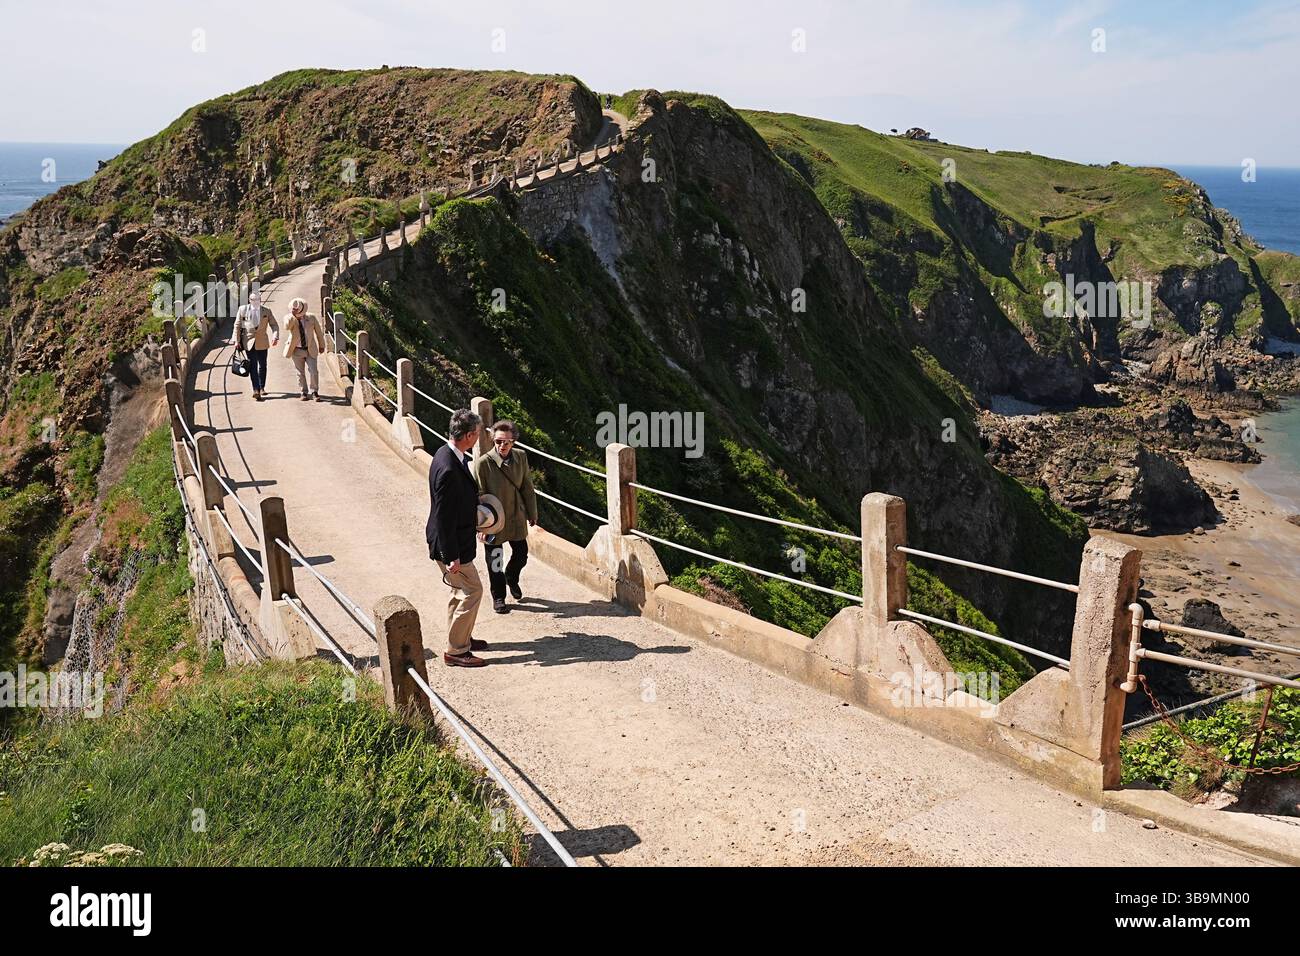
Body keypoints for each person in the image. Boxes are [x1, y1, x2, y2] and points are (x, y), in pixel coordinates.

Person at [426, 409, 489, 667]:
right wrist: (451, 555)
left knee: (459, 590)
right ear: (470, 435)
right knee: (473, 591)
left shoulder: (444, 453)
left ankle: (462, 637)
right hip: (450, 545)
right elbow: (443, 517)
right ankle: (457, 651)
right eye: (477, 435)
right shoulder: (450, 469)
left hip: (449, 541)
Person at [472, 420, 537, 614]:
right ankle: (499, 596)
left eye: (507, 442)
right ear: (493, 440)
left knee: (521, 554)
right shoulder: (483, 464)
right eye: (499, 441)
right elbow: (478, 496)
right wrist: (482, 528)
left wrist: (532, 513)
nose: (503, 446)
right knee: (495, 561)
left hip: (516, 515)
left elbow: (527, 486)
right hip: (493, 521)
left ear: (514, 442)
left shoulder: (521, 457)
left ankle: (512, 577)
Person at [233, 291, 278, 400]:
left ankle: (262, 387)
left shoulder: (266, 311)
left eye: (257, 299)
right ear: (249, 300)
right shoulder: (243, 309)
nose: (255, 302)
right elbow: (237, 326)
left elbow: (274, 325)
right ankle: (256, 389)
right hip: (249, 342)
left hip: (262, 341)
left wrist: (275, 336)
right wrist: (236, 340)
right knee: (252, 366)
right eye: (253, 300)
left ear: (260, 300)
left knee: (262, 365)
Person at [281, 297, 327, 401]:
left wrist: (322, 345)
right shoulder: (289, 318)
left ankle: (314, 391)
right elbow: (287, 327)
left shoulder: (311, 318)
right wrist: (293, 316)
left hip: (310, 348)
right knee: (300, 372)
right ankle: (303, 392)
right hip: (296, 350)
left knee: (314, 371)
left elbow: (319, 333)